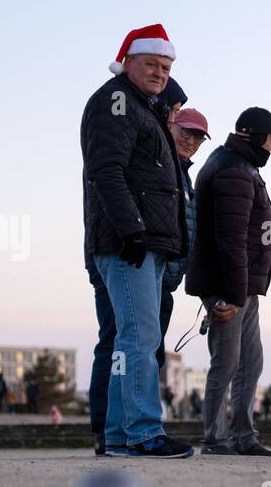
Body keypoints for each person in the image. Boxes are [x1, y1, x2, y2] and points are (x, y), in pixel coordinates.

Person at [81, 24, 194, 459]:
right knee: (138, 339)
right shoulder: (116, 102)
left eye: (166, 67)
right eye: (152, 64)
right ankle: (143, 432)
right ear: (128, 61)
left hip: (145, 242)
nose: (160, 73)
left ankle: (118, 435)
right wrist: (131, 230)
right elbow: (106, 171)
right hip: (130, 241)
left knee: (132, 339)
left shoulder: (140, 107)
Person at [186, 106, 271, 457]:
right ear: (256, 136)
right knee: (227, 362)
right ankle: (215, 439)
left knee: (249, 361)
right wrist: (231, 294)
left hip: (243, 285)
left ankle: (244, 436)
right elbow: (231, 238)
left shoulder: (236, 165)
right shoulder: (234, 171)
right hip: (230, 286)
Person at [158, 106, 210, 368]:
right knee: (138, 352)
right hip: (152, 277)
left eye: (198, 138)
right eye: (185, 133)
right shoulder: (162, 165)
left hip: (166, 282)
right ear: (170, 127)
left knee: (153, 356)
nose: (191, 142)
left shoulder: (184, 174)